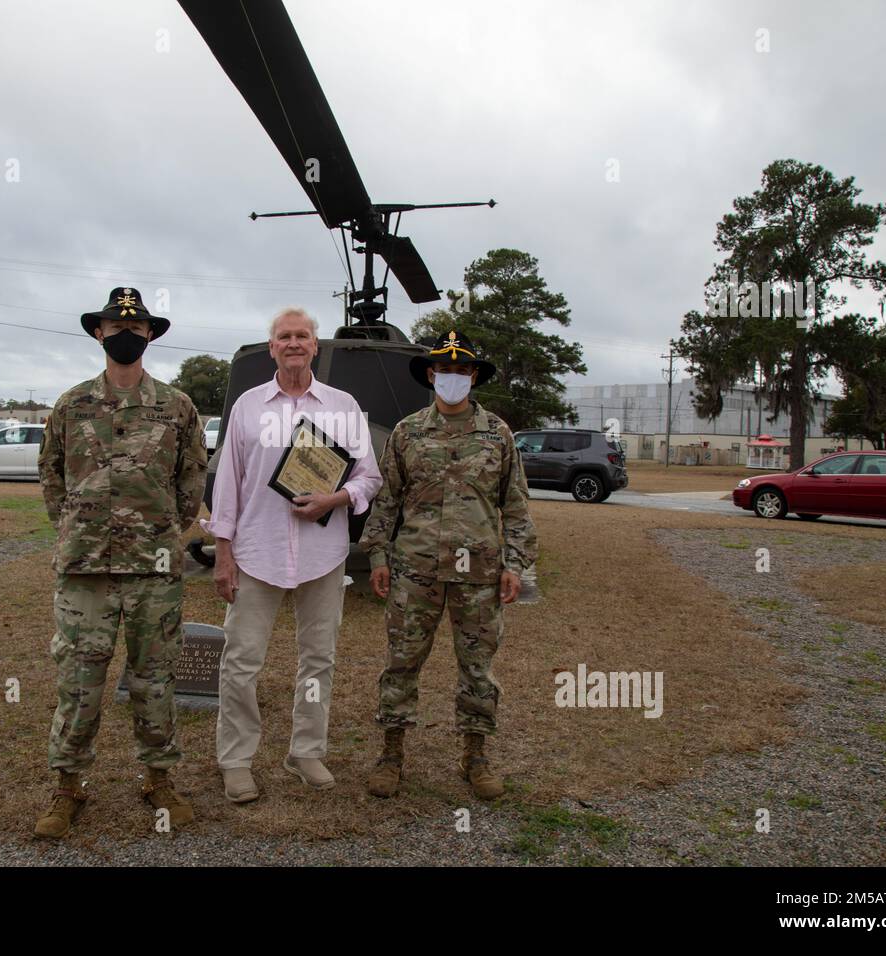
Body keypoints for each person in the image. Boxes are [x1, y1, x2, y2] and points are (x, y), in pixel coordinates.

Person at [33, 287, 208, 839]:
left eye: (136, 328)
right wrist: (77, 527)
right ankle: (67, 788)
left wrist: (162, 530)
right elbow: (51, 475)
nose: (126, 335)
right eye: (115, 327)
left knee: (154, 679)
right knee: (79, 680)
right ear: (98, 333)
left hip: (154, 568)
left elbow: (191, 479)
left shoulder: (177, 406)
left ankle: (158, 778)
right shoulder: (71, 404)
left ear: (150, 335)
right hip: (84, 569)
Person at [203, 307, 382, 803]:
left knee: (318, 659)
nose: (294, 342)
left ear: (316, 346)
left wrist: (336, 499)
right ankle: (236, 760)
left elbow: (370, 476)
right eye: (285, 336)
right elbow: (228, 487)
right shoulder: (247, 406)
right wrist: (223, 553)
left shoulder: (345, 406)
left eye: (303, 335)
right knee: (241, 662)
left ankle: (306, 752)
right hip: (255, 552)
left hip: (323, 554)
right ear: (272, 347)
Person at [358, 329, 537, 800]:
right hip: (415, 570)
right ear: (431, 374)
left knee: (477, 668)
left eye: (461, 370)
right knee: (401, 662)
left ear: (473, 376)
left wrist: (515, 564)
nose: (452, 377)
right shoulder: (407, 432)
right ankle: (391, 755)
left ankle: (476, 757)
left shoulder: (497, 434)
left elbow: (515, 506)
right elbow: (387, 500)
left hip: (478, 574)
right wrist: (377, 554)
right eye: (444, 369)